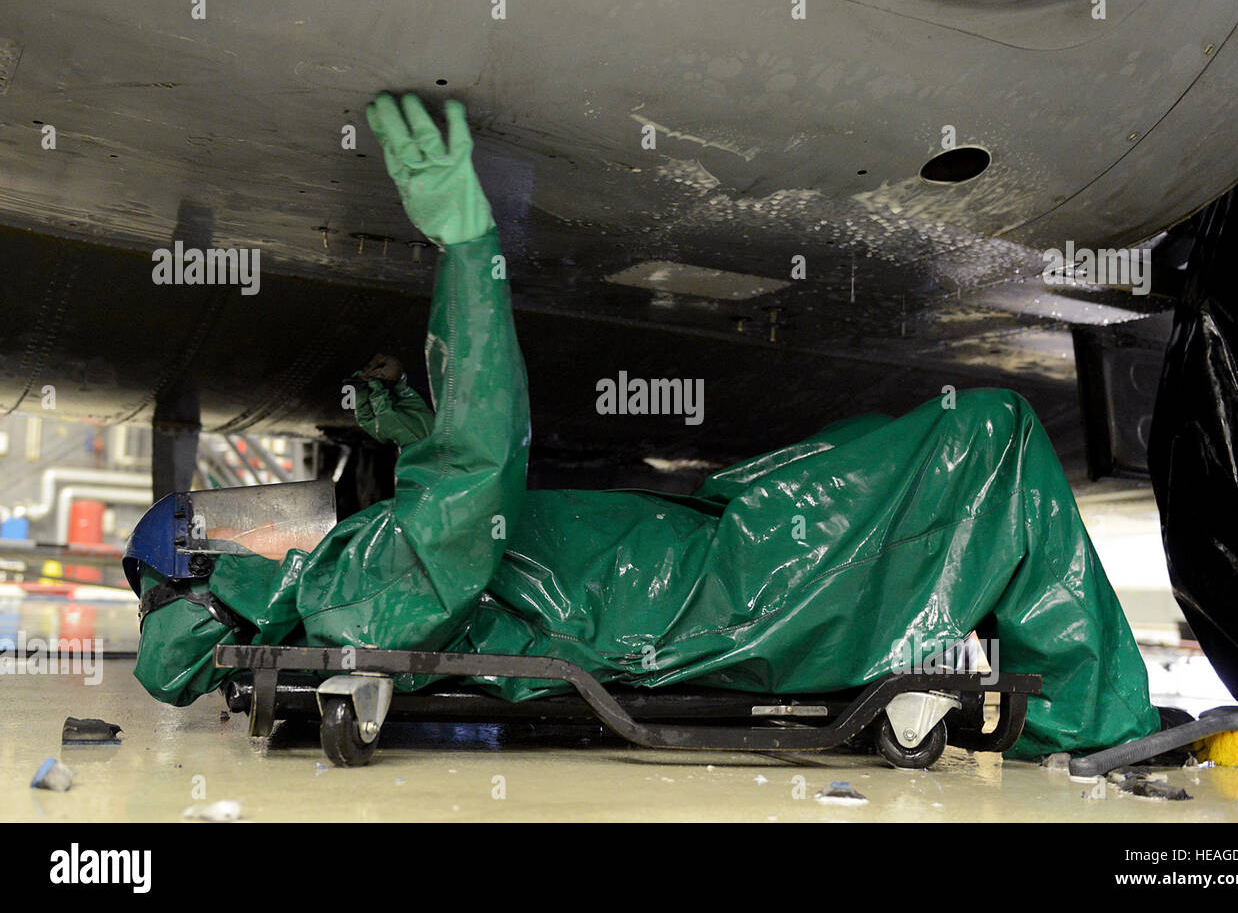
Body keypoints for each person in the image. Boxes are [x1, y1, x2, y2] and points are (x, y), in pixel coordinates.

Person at [133, 93, 1159, 759]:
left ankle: (1078, 707)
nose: (269, 508)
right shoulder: (353, 592)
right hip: (735, 591)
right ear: (220, 567)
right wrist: (466, 249)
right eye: (234, 514)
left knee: (928, 447)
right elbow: (477, 471)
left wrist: (406, 428)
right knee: (987, 432)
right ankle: (1091, 724)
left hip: (719, 556)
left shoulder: (344, 583)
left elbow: (440, 515)